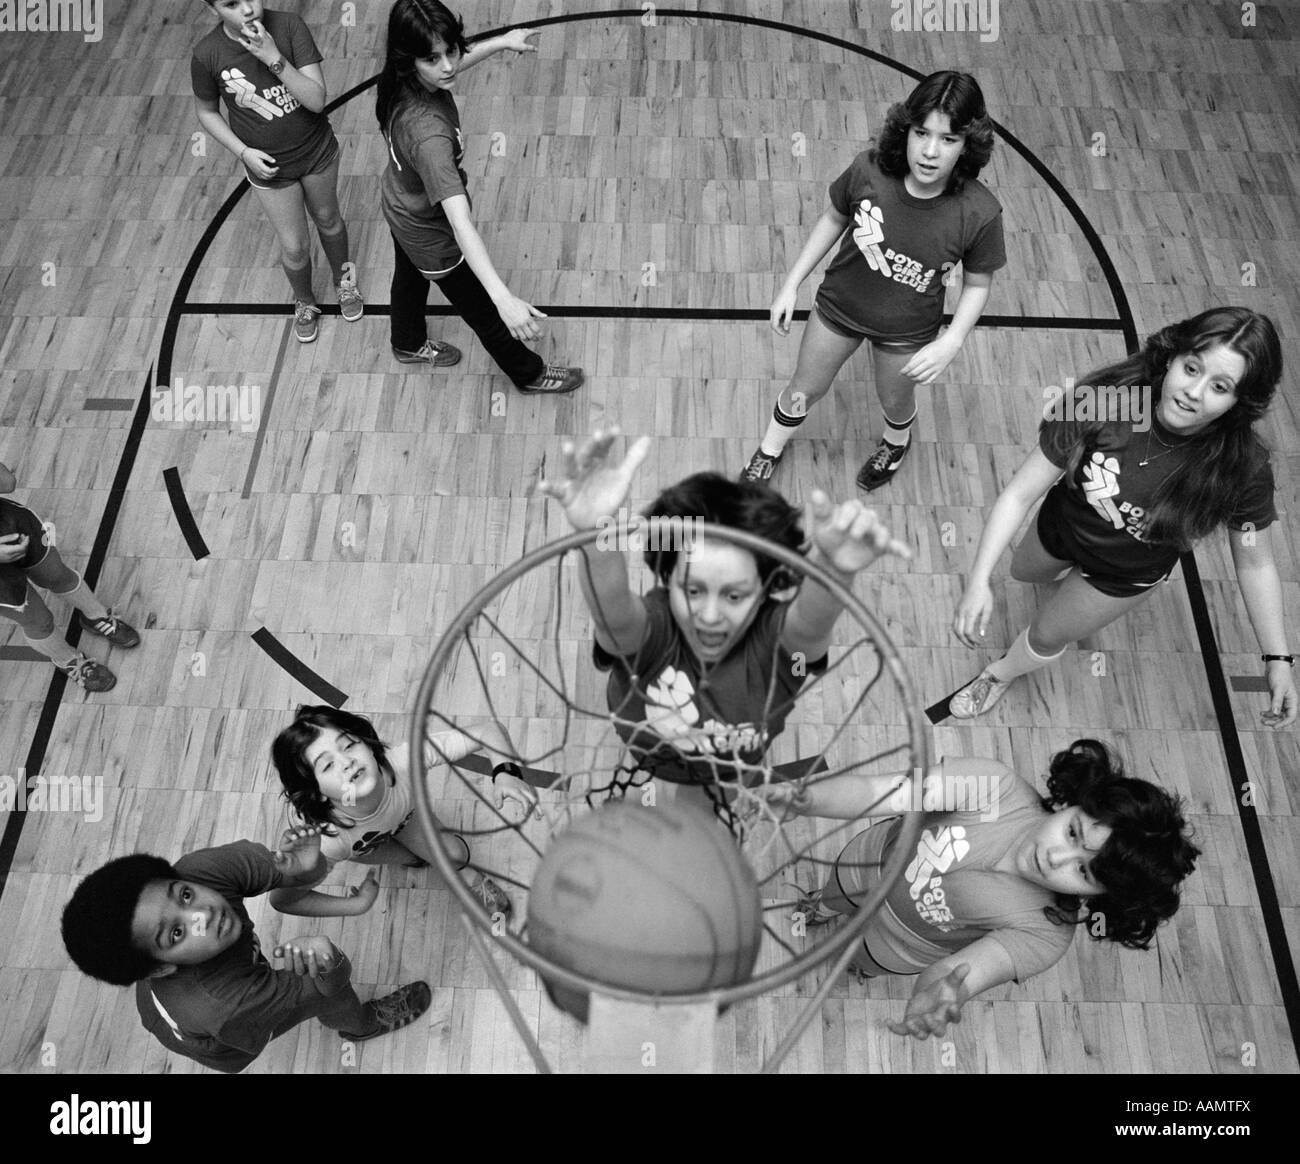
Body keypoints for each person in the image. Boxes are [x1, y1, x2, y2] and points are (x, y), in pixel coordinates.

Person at [950, 307, 1296, 725]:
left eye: (1219, 386)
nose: (1193, 392)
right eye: (1191, 368)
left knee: (1045, 633)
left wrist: (1278, 658)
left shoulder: (1243, 468)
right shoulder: (1102, 401)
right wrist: (979, 579)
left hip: (1123, 576)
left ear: (1239, 402)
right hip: (1062, 525)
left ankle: (999, 673)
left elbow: (1256, 562)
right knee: (1025, 574)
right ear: (1172, 357)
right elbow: (1020, 493)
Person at [538, 428, 910, 794]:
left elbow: (813, 625)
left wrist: (836, 568)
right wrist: (596, 537)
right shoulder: (654, 633)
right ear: (668, 577)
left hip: (734, 767)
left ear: (767, 588)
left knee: (726, 804)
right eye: (694, 590)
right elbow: (612, 614)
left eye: (734, 596)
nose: (710, 615)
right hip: (648, 749)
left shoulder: (783, 649)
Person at [765, 738, 1200, 1039]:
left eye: (1084, 873)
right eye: (1072, 834)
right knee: (833, 895)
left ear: (1103, 897)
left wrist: (939, 994)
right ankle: (821, 907)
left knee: (863, 961)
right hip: (869, 860)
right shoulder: (994, 786)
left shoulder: (1045, 935)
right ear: (1075, 804)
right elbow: (881, 794)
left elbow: (963, 974)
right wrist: (808, 799)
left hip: (900, 946)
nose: (1056, 859)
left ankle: (859, 965)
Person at [742, 70, 1004, 491]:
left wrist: (952, 340)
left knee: (896, 400)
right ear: (906, 128)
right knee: (803, 389)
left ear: (968, 144)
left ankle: (896, 443)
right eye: (922, 132)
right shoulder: (868, 170)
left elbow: (977, 283)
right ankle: (769, 450)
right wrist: (791, 283)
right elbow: (834, 217)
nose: (930, 151)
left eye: (948, 139)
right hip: (839, 309)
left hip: (907, 330)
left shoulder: (980, 213)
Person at [60, 825, 432, 1072]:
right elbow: (328, 982)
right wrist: (327, 960)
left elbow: (297, 876)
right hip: (223, 1036)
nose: (202, 913)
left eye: (184, 895)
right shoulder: (229, 1003)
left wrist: (306, 865)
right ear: (157, 969)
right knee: (326, 995)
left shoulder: (197, 869)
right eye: (175, 933)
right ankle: (362, 1026)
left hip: (184, 1000)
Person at [378, 0, 582, 392]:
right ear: (411, 60)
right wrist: (504, 298)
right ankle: (530, 374)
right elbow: (459, 222)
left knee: (408, 277)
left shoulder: (402, 79)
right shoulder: (429, 137)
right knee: (485, 312)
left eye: (450, 51)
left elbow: (450, 65)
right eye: (433, 58)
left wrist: (502, 42)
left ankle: (406, 341)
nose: (449, 66)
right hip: (431, 231)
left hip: (400, 205)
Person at [191, 0, 363, 343]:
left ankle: (344, 284)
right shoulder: (207, 54)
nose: (247, 8)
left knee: (329, 220)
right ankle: (304, 302)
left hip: (316, 153)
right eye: (231, 4)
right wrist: (243, 152)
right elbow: (206, 112)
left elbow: (316, 100)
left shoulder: (289, 27)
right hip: (268, 169)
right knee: (295, 246)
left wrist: (272, 56)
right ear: (213, 10)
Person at [268, 705, 537, 916]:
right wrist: (355, 905)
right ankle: (416, 858)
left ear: (366, 743)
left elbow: (488, 730)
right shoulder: (330, 842)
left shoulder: (404, 762)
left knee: (453, 853)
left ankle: (463, 874)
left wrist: (505, 771)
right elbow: (284, 901)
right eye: (327, 766)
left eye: (348, 745)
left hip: (404, 819)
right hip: (366, 846)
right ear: (315, 790)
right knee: (416, 858)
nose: (347, 762)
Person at [0, 460, 138, 692]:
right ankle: (68, 660)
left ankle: (95, 616)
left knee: (57, 575)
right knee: (38, 621)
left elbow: (7, 483)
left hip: (10, 524)